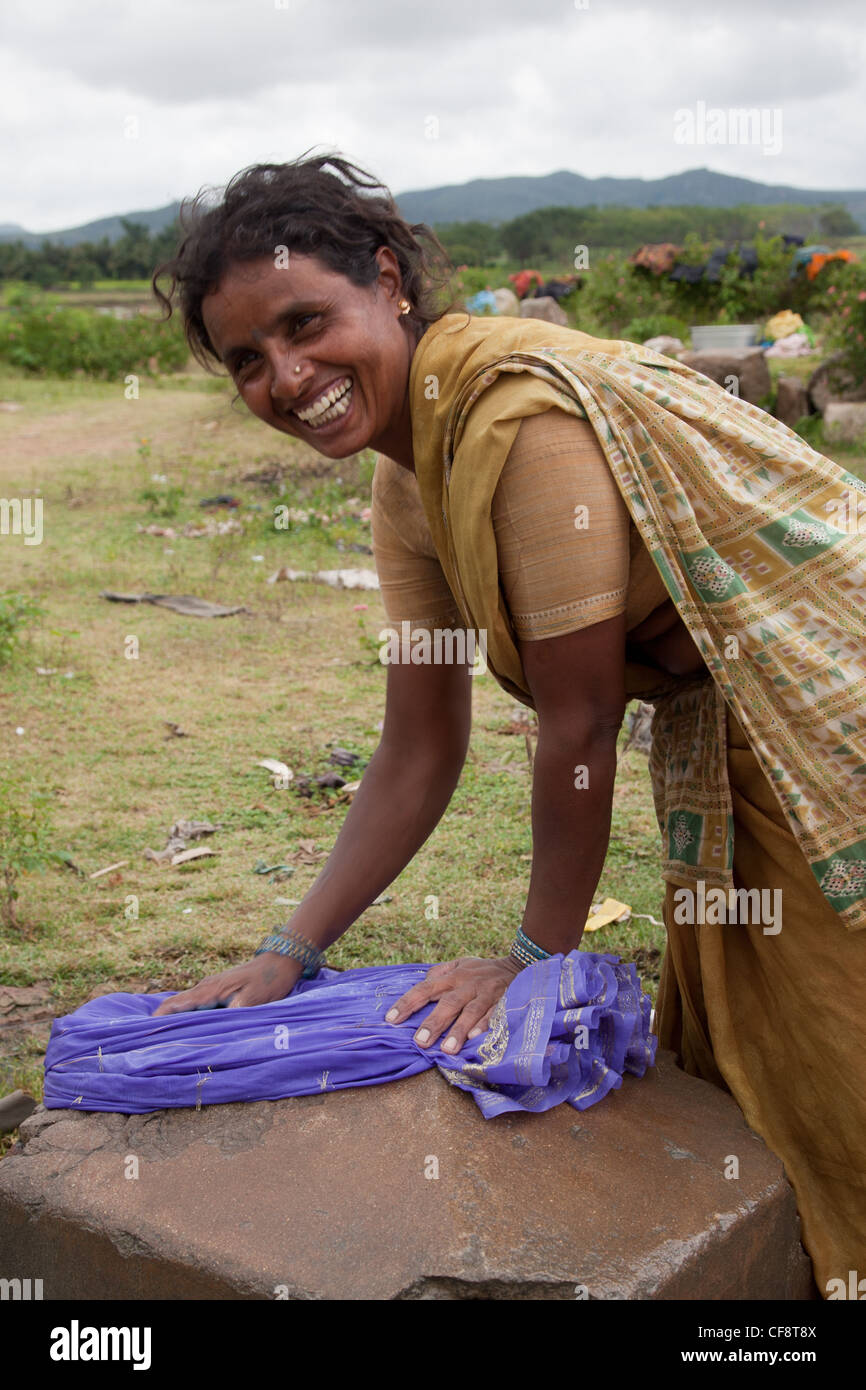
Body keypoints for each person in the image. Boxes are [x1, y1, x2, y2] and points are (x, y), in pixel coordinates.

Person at [149, 153, 866, 1293]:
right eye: (248, 359)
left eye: (304, 323)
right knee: (761, 1057)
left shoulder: (517, 425)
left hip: (821, 708)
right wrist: (292, 948)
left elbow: (575, 728)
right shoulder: (410, 476)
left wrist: (533, 960)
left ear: (386, 280)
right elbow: (419, 743)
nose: (288, 377)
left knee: (835, 1056)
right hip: (734, 728)